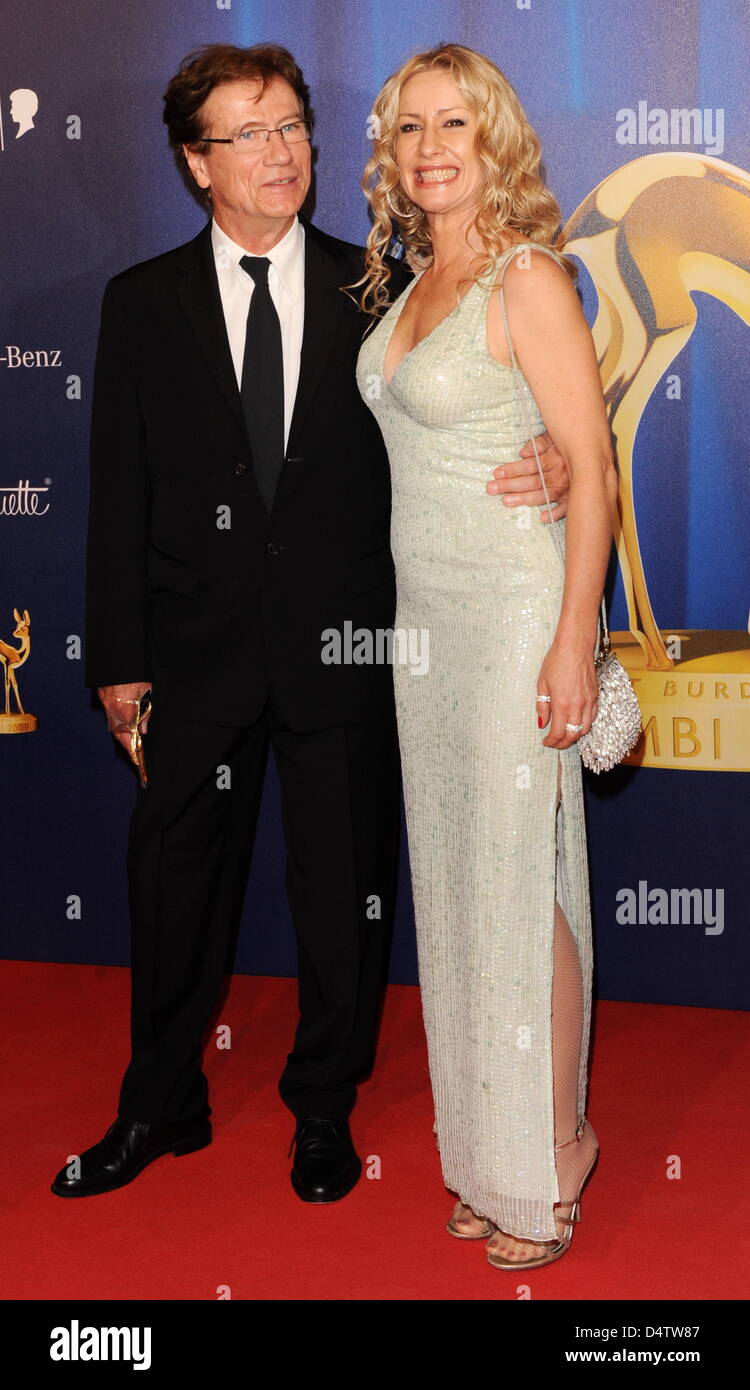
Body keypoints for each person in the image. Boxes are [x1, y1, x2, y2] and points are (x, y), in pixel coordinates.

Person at [52, 42, 572, 1205]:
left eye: (292, 126)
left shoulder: (377, 286)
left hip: (348, 647)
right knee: (173, 884)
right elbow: (116, 488)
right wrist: (120, 659)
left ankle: (324, 1109)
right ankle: (160, 1103)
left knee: (343, 891)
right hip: (193, 653)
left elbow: (490, 402)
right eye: (247, 134)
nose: (280, 152)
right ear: (197, 163)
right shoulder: (140, 303)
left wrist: (552, 457)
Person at [355, 43, 618, 1268]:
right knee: (460, 893)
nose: (429, 147)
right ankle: (490, 1153)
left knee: (524, 888)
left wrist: (576, 637)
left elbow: (592, 462)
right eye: (411, 128)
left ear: (493, 137)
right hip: (427, 630)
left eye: (454, 122)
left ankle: (556, 1145)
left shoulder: (528, 279)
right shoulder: (409, 281)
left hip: (518, 614)